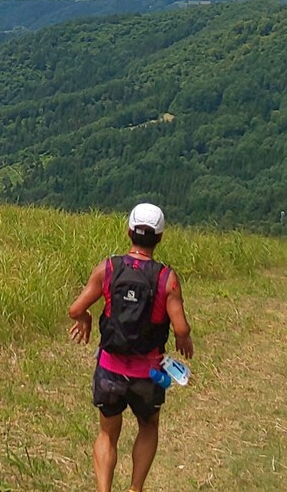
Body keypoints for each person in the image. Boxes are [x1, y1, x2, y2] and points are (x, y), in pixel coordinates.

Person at [68, 202, 194, 492]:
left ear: (129, 232)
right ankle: (135, 489)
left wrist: (86, 318)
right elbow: (181, 327)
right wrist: (183, 339)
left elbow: (75, 309)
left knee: (107, 433)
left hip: (109, 370)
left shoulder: (108, 268)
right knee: (148, 426)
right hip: (148, 375)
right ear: (160, 237)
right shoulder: (166, 278)